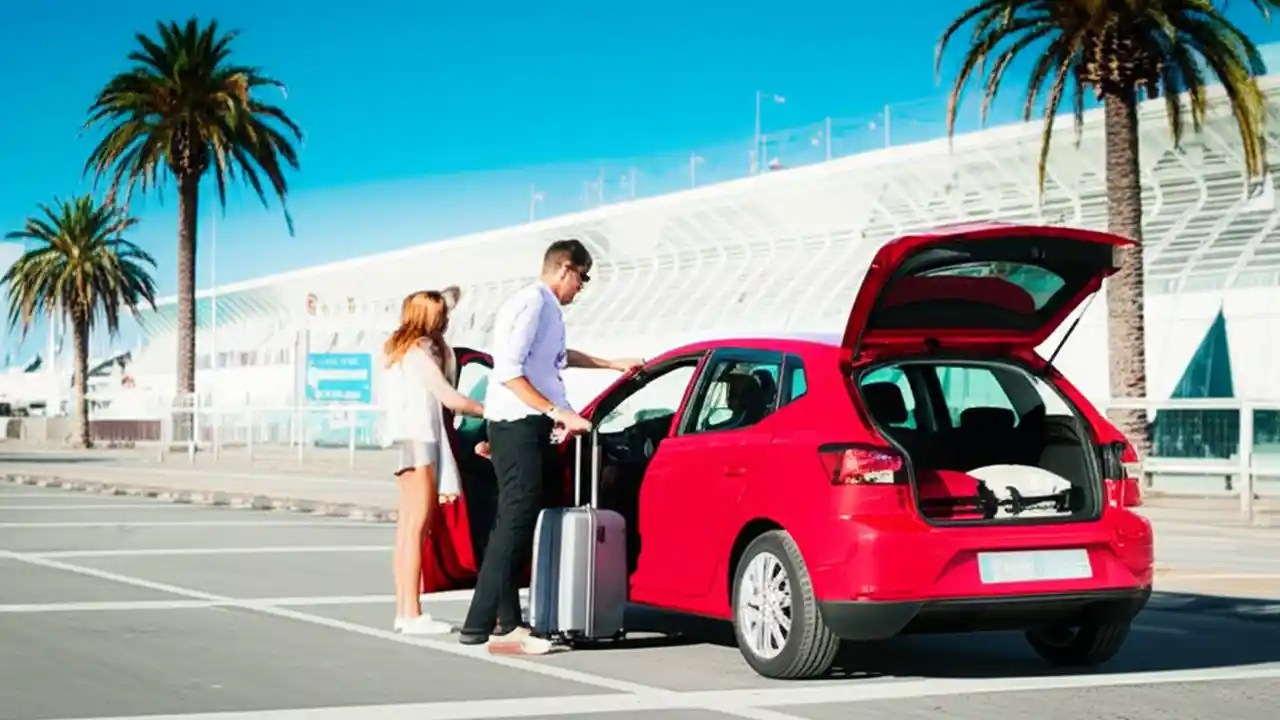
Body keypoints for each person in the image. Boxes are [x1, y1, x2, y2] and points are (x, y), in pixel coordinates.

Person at [459, 238, 642, 654]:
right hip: (518, 423)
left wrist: (611, 364)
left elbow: (557, 358)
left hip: (523, 424)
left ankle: (508, 622)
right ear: (565, 269)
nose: (582, 287)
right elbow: (508, 370)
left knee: (513, 521)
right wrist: (556, 412)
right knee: (516, 522)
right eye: (583, 277)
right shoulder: (533, 303)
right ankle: (482, 624)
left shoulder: (546, 308)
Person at [384, 289, 484, 635]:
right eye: (440, 315)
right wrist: (487, 409)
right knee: (416, 528)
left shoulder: (404, 349)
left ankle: (405, 610)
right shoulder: (418, 352)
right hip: (420, 441)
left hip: (411, 441)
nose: (446, 320)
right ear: (428, 316)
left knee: (409, 530)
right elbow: (448, 396)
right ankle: (410, 613)